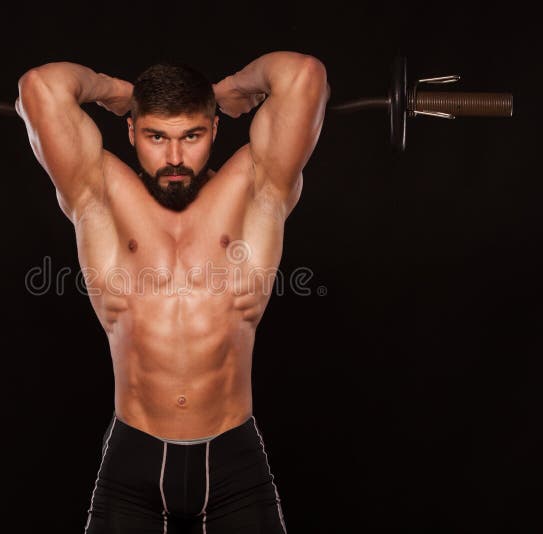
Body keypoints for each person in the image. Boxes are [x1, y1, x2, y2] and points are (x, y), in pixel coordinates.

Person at [16, 51, 329, 533]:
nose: (175, 158)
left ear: (214, 129)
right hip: (132, 462)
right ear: (132, 131)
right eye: (156, 136)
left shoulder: (255, 188)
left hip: (235, 461)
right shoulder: (100, 195)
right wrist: (116, 91)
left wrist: (232, 90)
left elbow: (304, 76)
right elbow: (40, 87)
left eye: (192, 136)